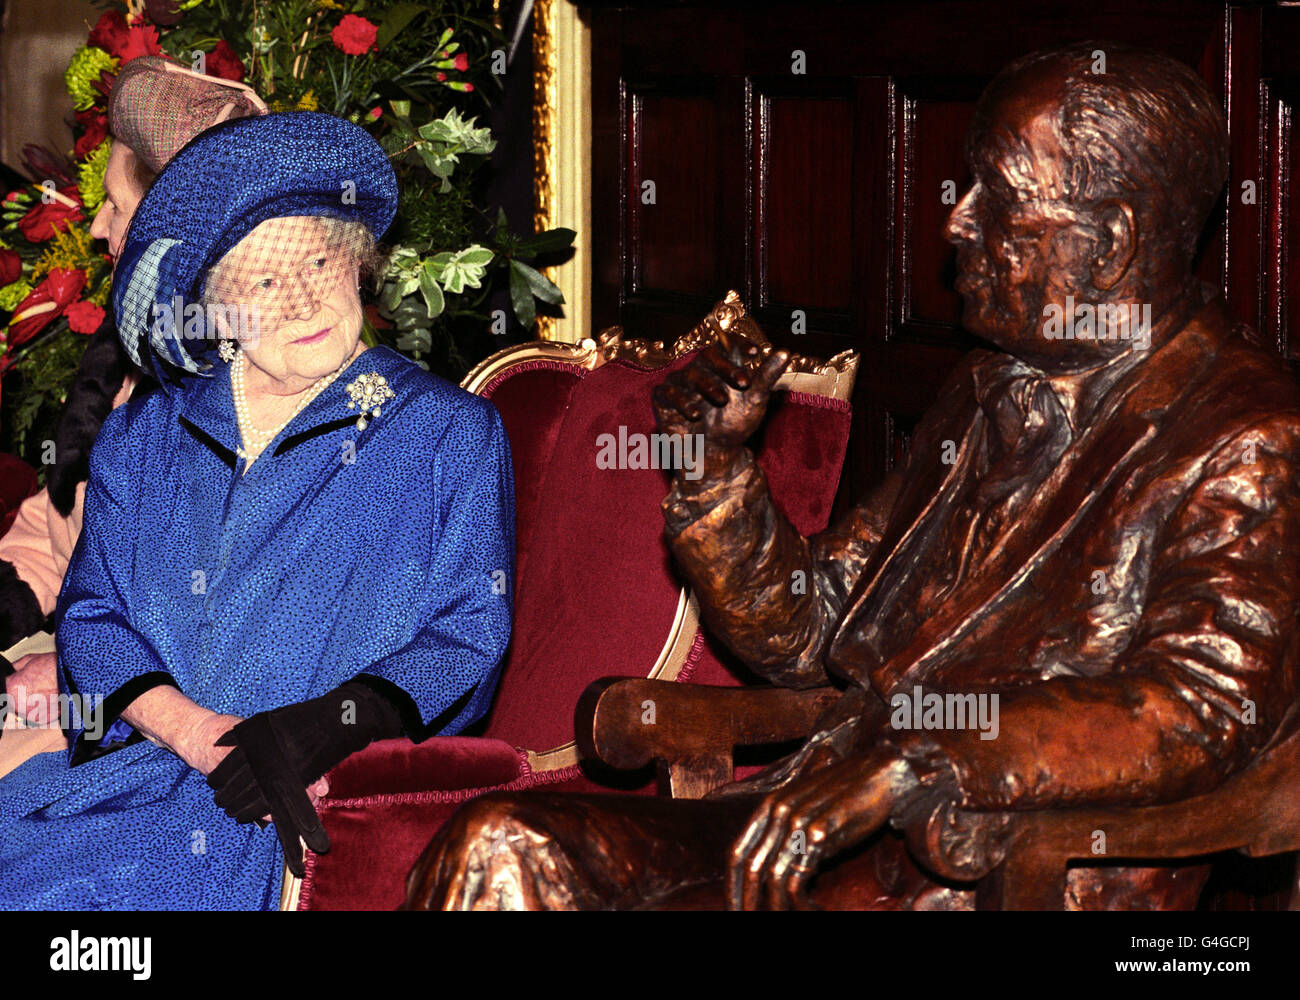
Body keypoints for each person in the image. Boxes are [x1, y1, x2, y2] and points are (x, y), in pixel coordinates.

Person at [406, 42, 1300, 910]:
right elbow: (814, 631)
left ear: (1108, 245)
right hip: (820, 821)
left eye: (998, 191)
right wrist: (717, 470)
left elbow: (1194, 706)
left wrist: (919, 754)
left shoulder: (1246, 433)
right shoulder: (983, 389)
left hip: (991, 862)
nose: (958, 218)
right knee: (499, 846)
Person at [0, 111, 515, 910]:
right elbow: (94, 613)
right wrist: (194, 732)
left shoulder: (447, 433)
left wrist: (333, 721)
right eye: (266, 281)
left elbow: (466, 639)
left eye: (321, 260)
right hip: (133, 770)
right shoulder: (146, 430)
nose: (305, 299)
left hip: (289, 802)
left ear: (358, 266)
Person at [0, 57, 267, 739]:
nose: (95, 230)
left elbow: (231, 614)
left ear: (170, 231)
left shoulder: (256, 385)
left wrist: (69, 671)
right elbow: (49, 533)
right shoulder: (127, 367)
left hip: (166, 717)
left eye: (116, 207)